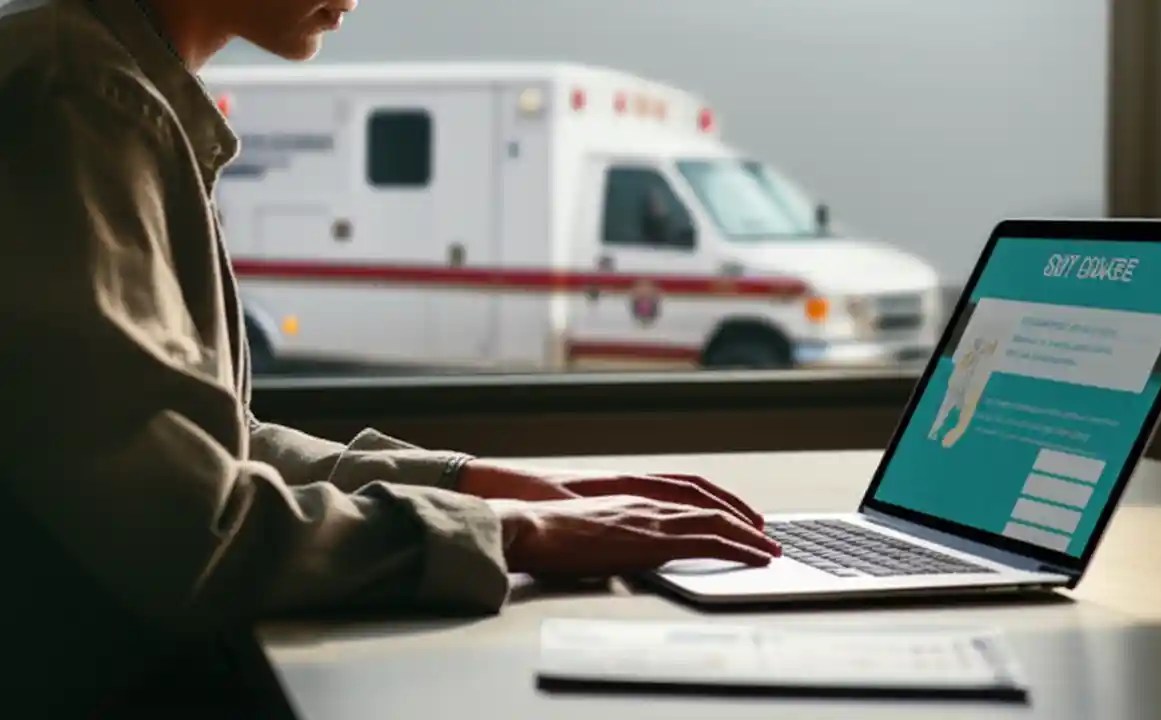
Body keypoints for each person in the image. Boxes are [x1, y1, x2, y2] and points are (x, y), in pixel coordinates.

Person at [0, 0, 780, 712]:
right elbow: (190, 533)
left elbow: (208, 448)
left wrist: (474, 481)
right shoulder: (80, 97)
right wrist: (511, 531)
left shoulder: (98, 74)